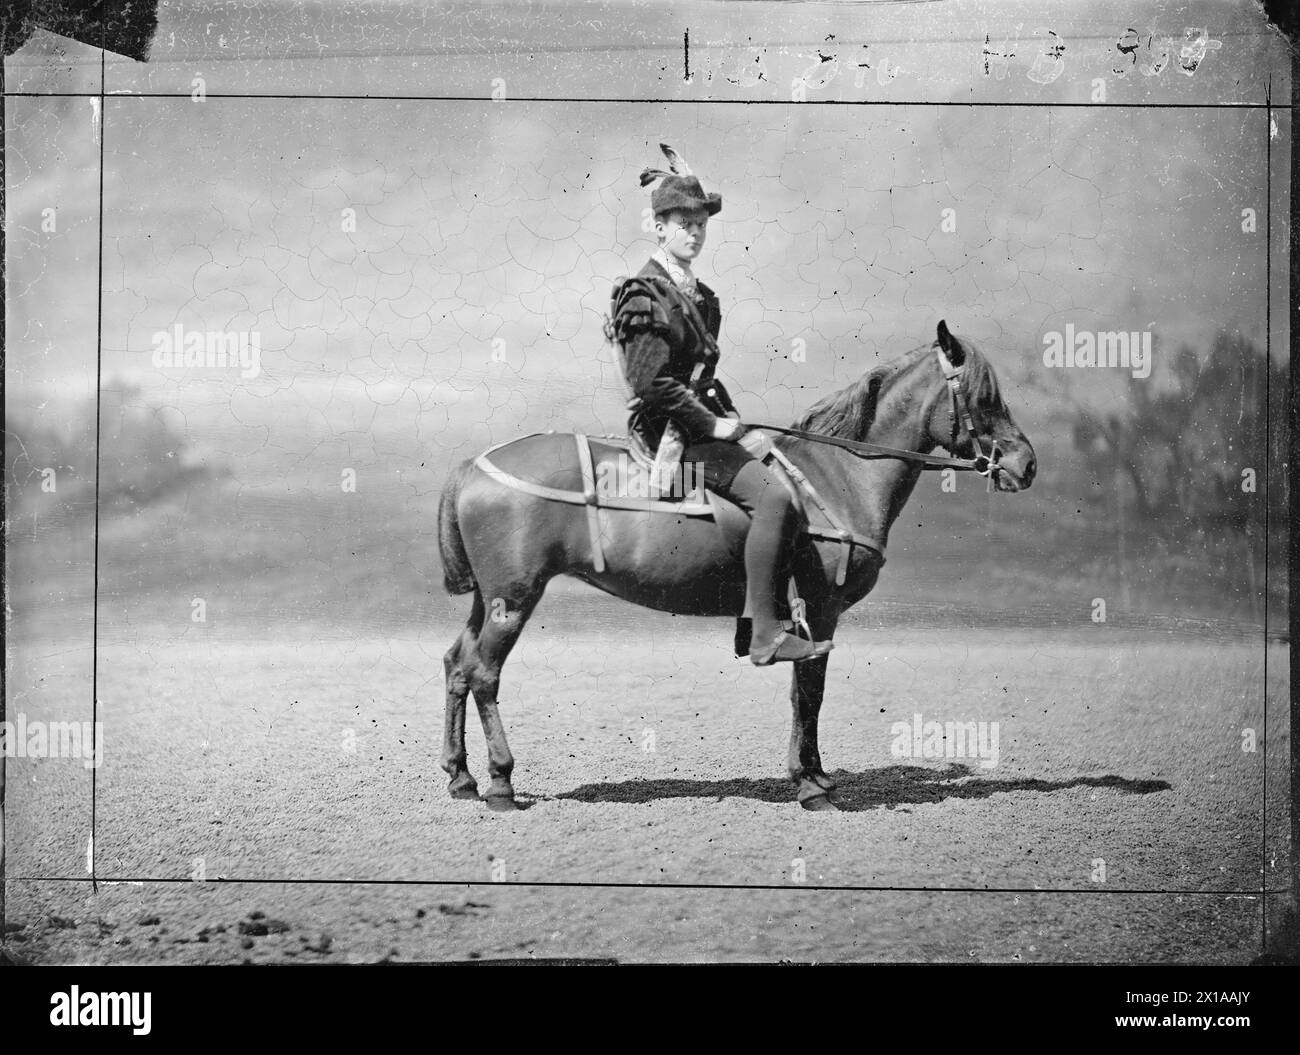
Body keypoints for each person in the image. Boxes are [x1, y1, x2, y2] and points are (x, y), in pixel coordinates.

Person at [607, 144, 813, 665]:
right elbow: (652, 383)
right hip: (664, 431)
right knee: (773, 500)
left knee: (780, 470)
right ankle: (766, 634)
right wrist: (714, 429)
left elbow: (701, 379)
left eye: (700, 223)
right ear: (657, 227)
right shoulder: (643, 293)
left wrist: (736, 425)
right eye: (682, 222)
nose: (694, 232)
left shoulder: (703, 296)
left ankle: (752, 618)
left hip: (698, 423)